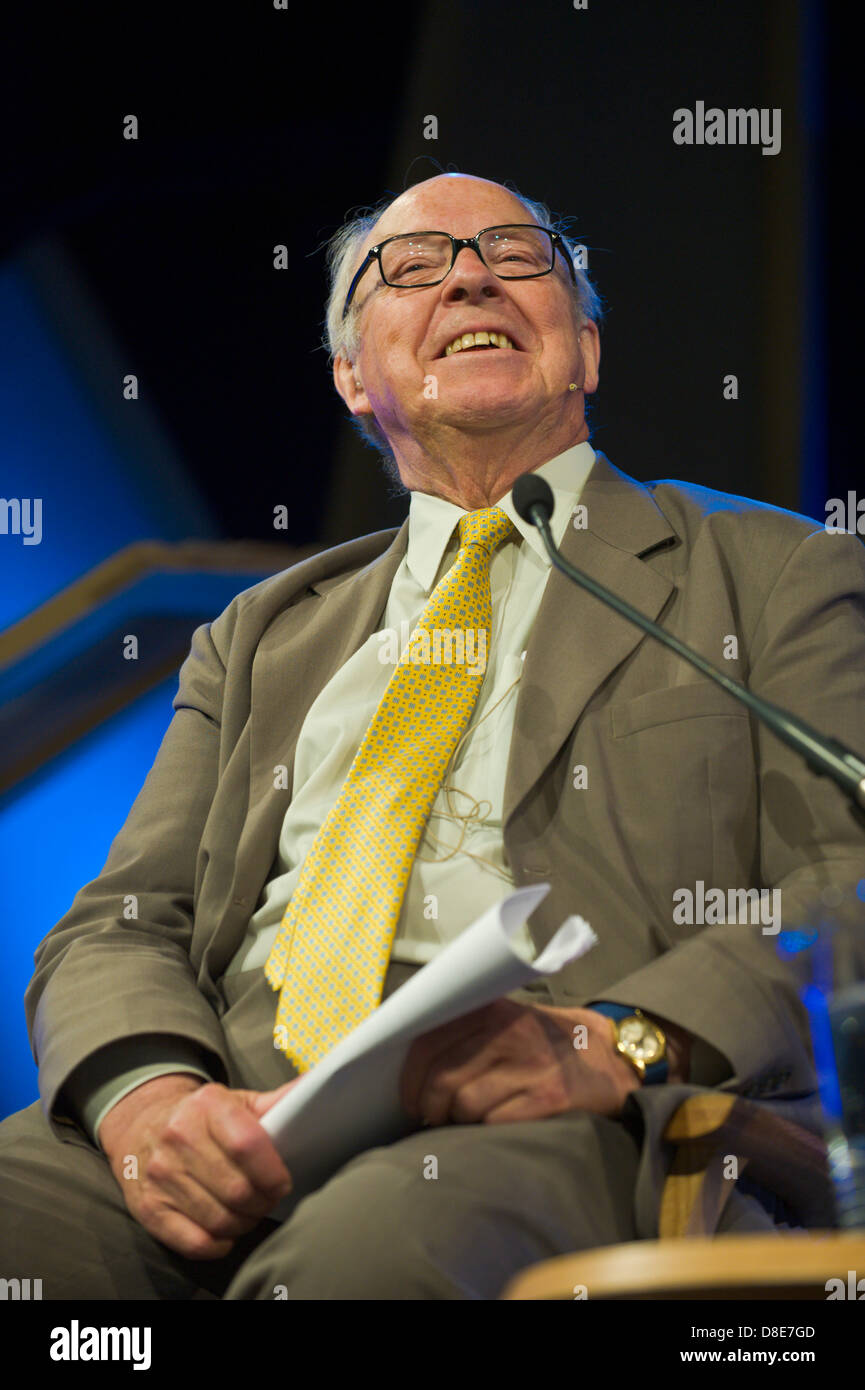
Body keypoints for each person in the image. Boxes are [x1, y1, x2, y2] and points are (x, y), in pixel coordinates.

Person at [1, 173, 862, 1301]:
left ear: (586, 350)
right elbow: (116, 924)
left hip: (567, 1112)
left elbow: (848, 882)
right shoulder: (257, 636)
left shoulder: (773, 573)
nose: (468, 274)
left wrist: (620, 1042)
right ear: (353, 378)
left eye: (517, 254)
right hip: (236, 1108)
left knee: (363, 1260)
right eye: (409, 267)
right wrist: (151, 1101)